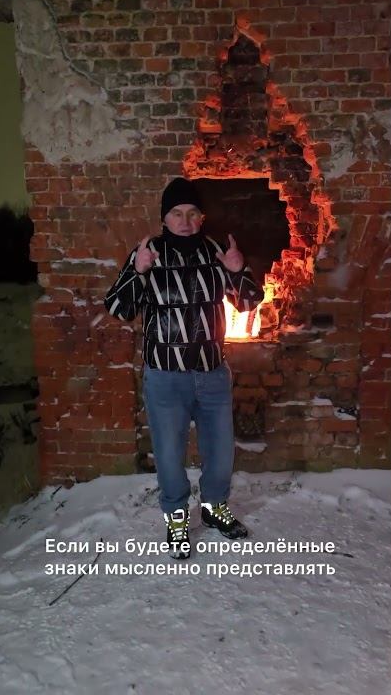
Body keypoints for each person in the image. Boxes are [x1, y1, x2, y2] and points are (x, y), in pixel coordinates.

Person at [103, 177, 265, 559]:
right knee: (169, 453)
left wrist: (238, 270)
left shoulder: (215, 251)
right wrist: (137, 272)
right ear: (165, 218)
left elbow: (247, 303)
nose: (185, 221)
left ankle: (213, 507)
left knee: (221, 452)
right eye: (177, 214)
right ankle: (176, 515)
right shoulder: (149, 253)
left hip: (212, 374)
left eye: (192, 213)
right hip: (165, 377)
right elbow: (119, 309)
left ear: (201, 216)